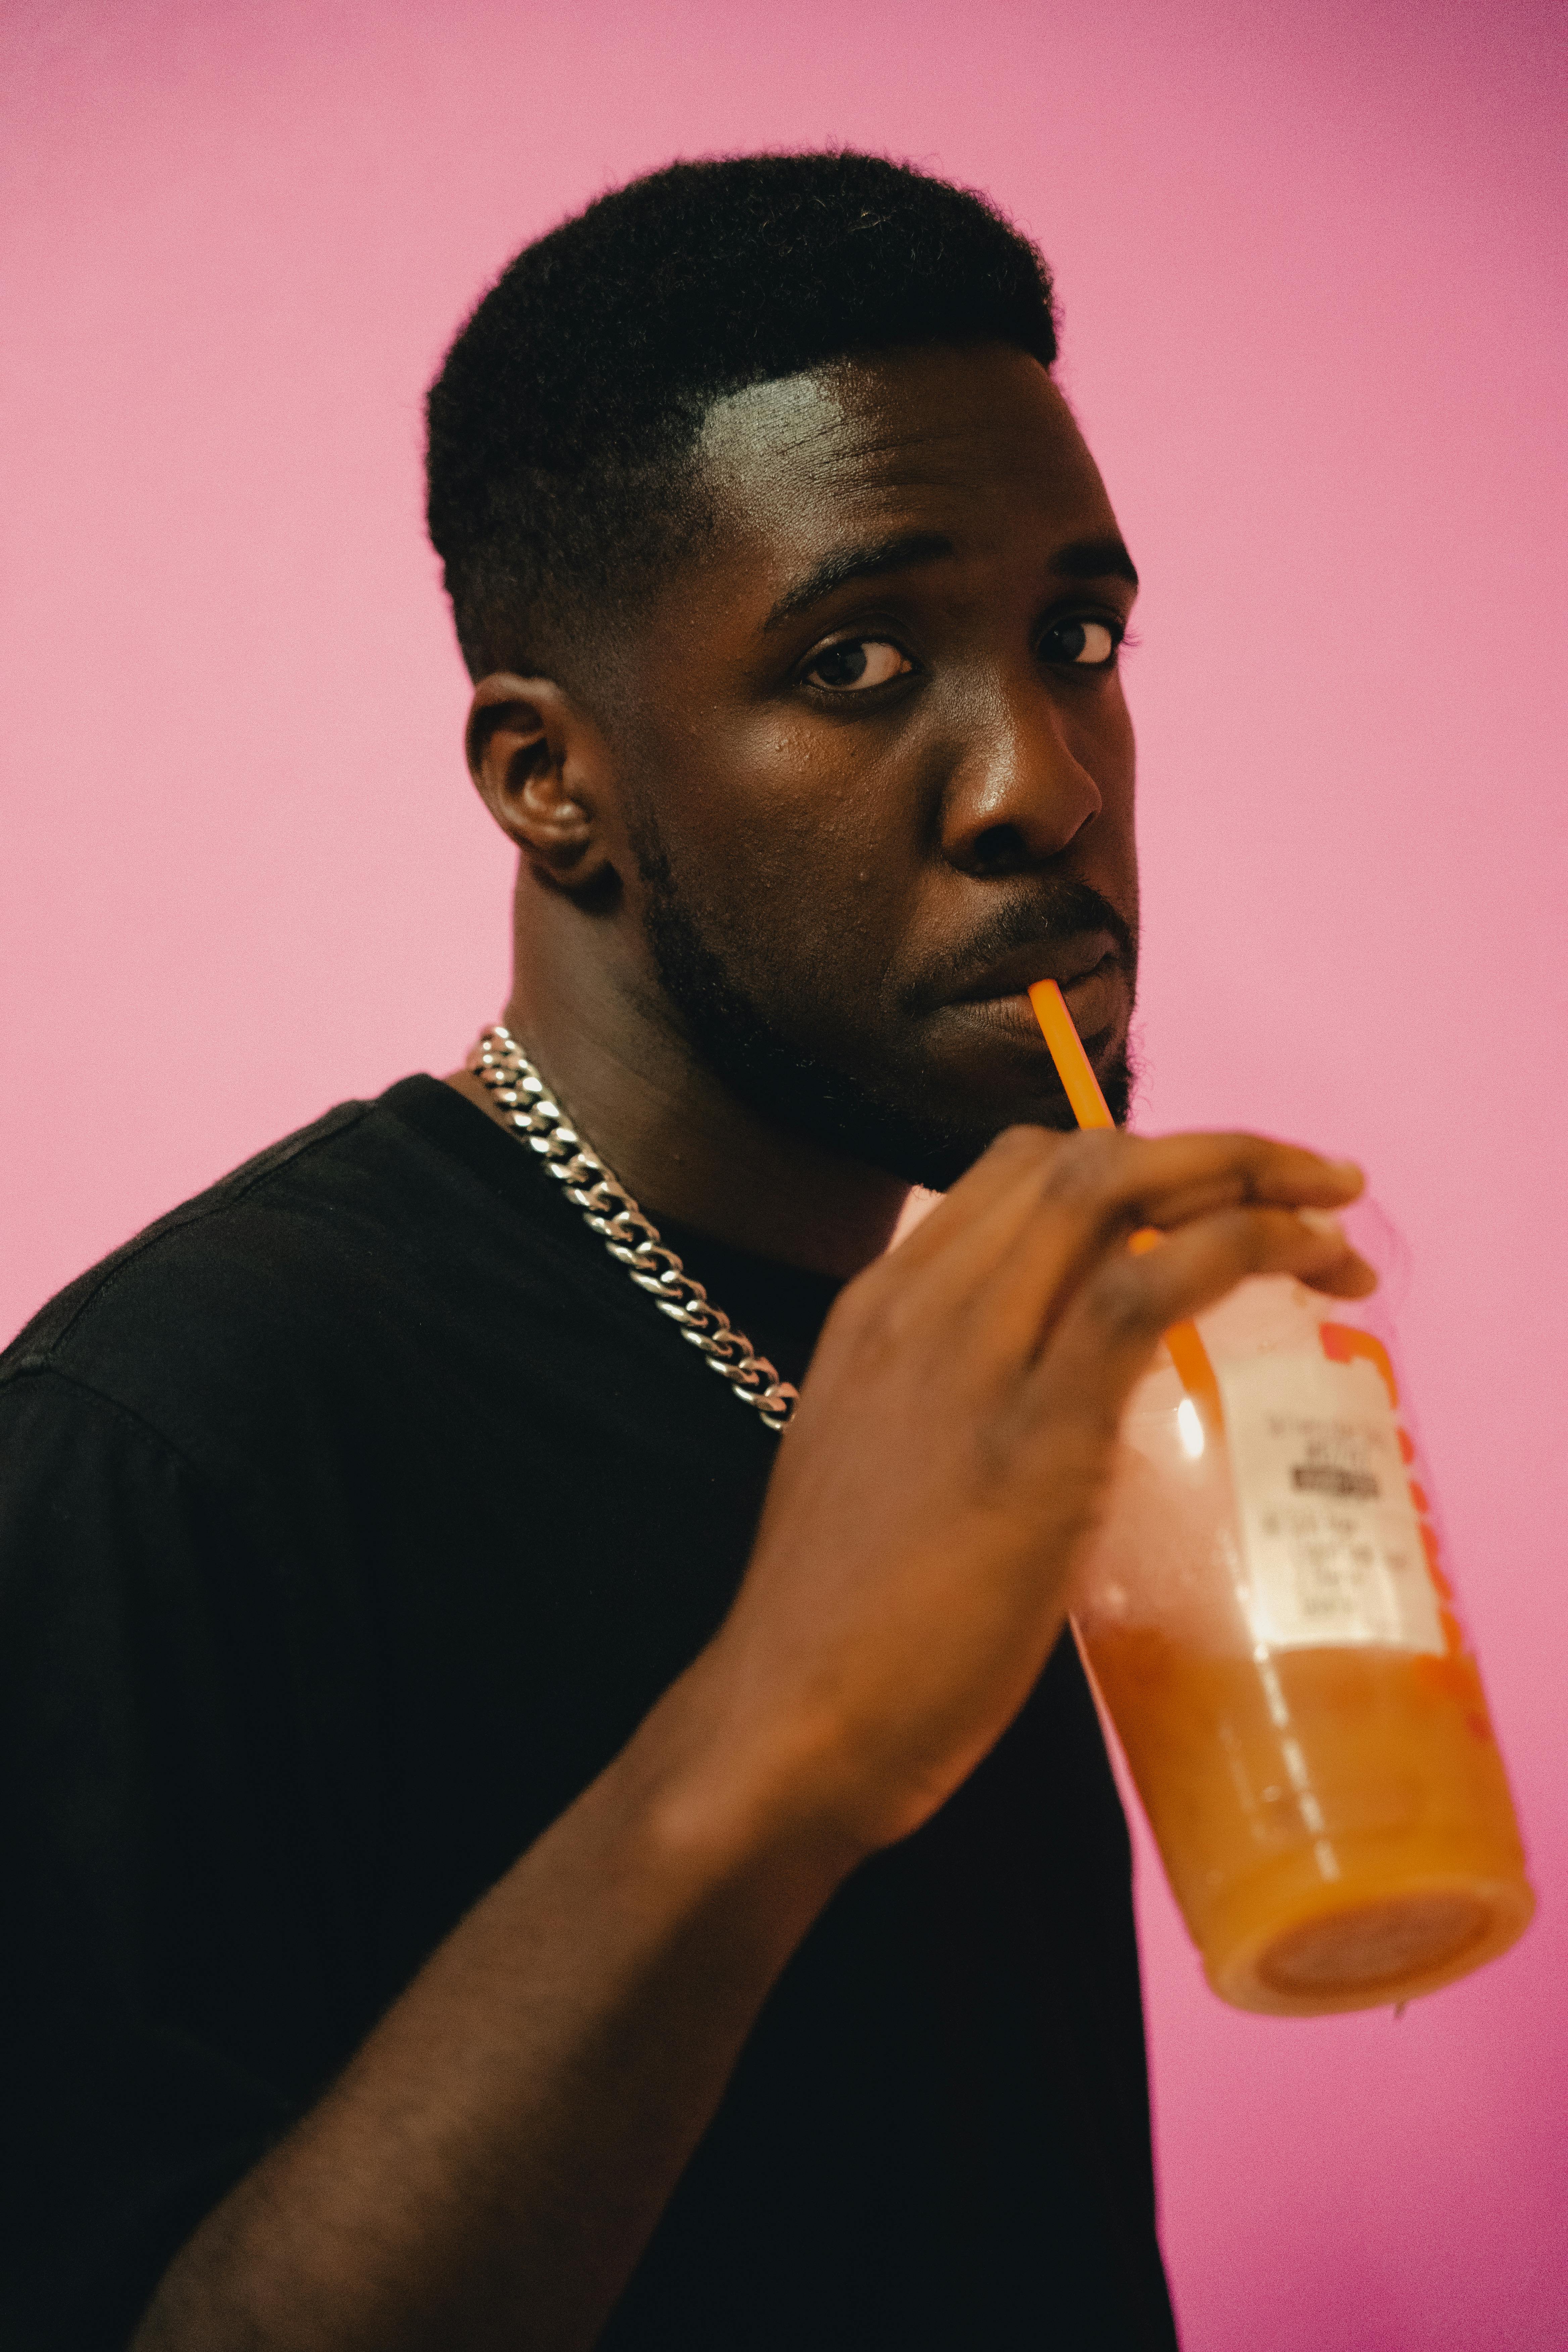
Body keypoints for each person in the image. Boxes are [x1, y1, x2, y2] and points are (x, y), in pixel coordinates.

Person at [0, 152, 1372, 2352]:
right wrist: (774, 1736)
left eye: (1079, 639)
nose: (1044, 783)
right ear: (556, 781)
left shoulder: (997, 1365)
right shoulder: (169, 1445)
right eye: (859, 662)